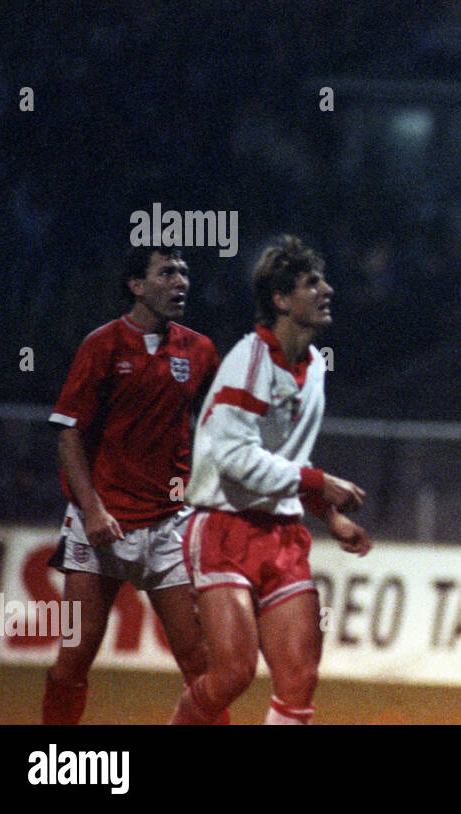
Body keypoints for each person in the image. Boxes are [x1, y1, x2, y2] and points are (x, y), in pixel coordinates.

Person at [169, 235, 370, 725]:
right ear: (280, 299)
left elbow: (286, 457)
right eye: (311, 283)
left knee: (300, 680)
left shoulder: (315, 366)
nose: (327, 290)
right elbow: (233, 457)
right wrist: (320, 482)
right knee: (234, 673)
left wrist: (327, 513)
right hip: (222, 528)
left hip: (282, 535)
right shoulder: (250, 360)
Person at [44, 246, 220, 724]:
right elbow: (69, 433)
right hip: (100, 525)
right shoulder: (101, 345)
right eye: (167, 272)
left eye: (184, 272)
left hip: (168, 526)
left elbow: (223, 426)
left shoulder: (199, 350)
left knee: (202, 664)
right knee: (73, 662)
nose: (180, 281)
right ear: (136, 286)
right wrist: (93, 509)